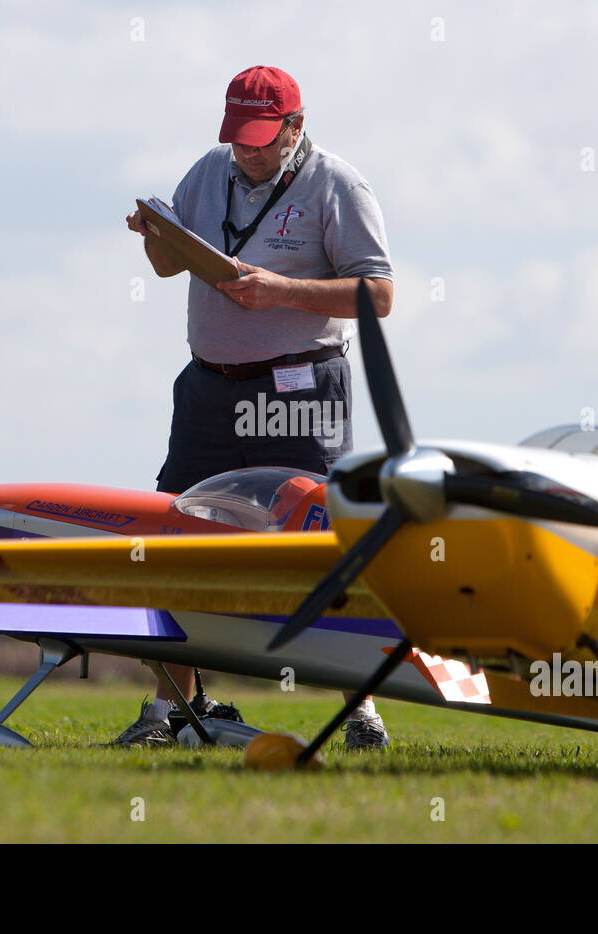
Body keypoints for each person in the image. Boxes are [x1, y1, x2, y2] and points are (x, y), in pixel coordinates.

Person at [119, 65, 395, 750]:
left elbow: (379, 297)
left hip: (300, 389)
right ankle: (166, 715)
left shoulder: (339, 185)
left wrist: (280, 290)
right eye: (237, 137)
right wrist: (156, 237)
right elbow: (165, 267)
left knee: (319, 547)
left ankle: (360, 712)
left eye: (260, 139)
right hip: (209, 387)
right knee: (177, 538)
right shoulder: (208, 172)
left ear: (296, 129)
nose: (245, 151)